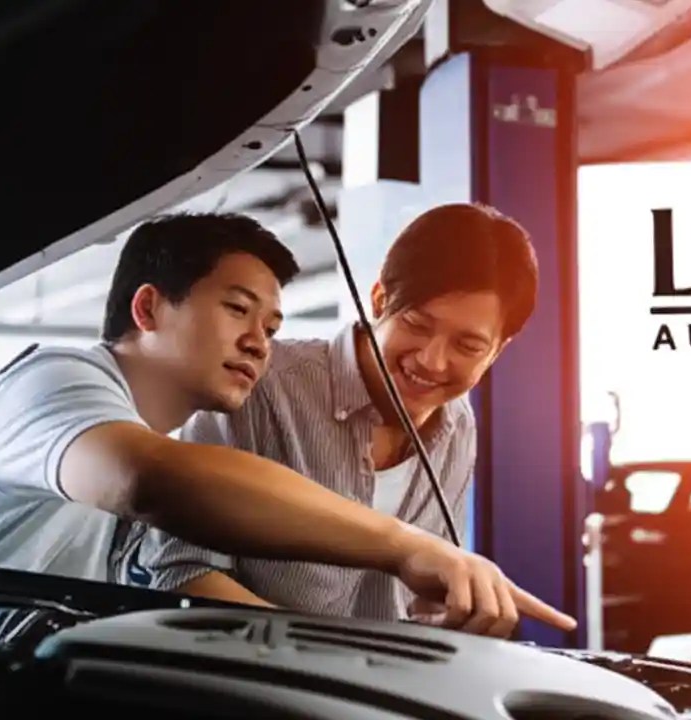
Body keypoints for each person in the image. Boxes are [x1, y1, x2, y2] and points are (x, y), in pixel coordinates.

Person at [0, 211, 572, 639]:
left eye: (271, 327)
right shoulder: (53, 380)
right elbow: (147, 481)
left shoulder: (456, 429)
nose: (260, 345)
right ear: (148, 306)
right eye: (238, 311)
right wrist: (407, 545)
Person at [131, 203, 538, 636]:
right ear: (380, 299)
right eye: (417, 323)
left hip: (372, 685)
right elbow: (180, 571)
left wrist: (462, 615)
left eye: (468, 346)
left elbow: (415, 602)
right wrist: (318, 653)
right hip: (241, 679)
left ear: (499, 348)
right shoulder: (260, 385)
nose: (433, 361)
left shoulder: (457, 426)